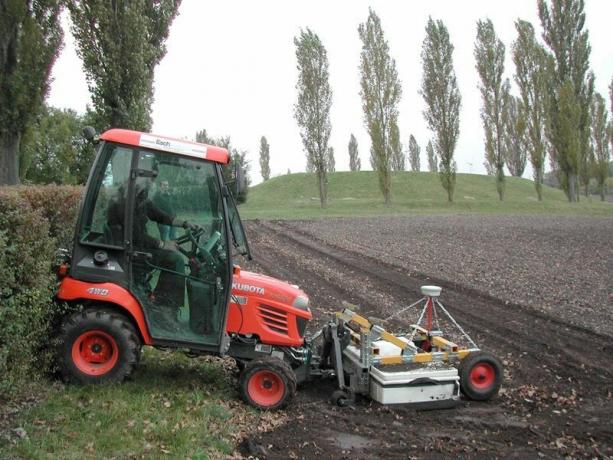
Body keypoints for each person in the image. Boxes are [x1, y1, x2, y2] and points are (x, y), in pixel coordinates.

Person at [107, 175, 197, 314]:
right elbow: (136, 236)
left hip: (134, 245)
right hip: (129, 251)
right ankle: (165, 308)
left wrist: (184, 223)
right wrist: (162, 244)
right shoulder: (125, 203)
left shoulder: (139, 198)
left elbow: (159, 215)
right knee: (175, 260)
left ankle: (160, 302)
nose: (153, 184)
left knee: (173, 257)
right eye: (151, 180)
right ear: (141, 180)